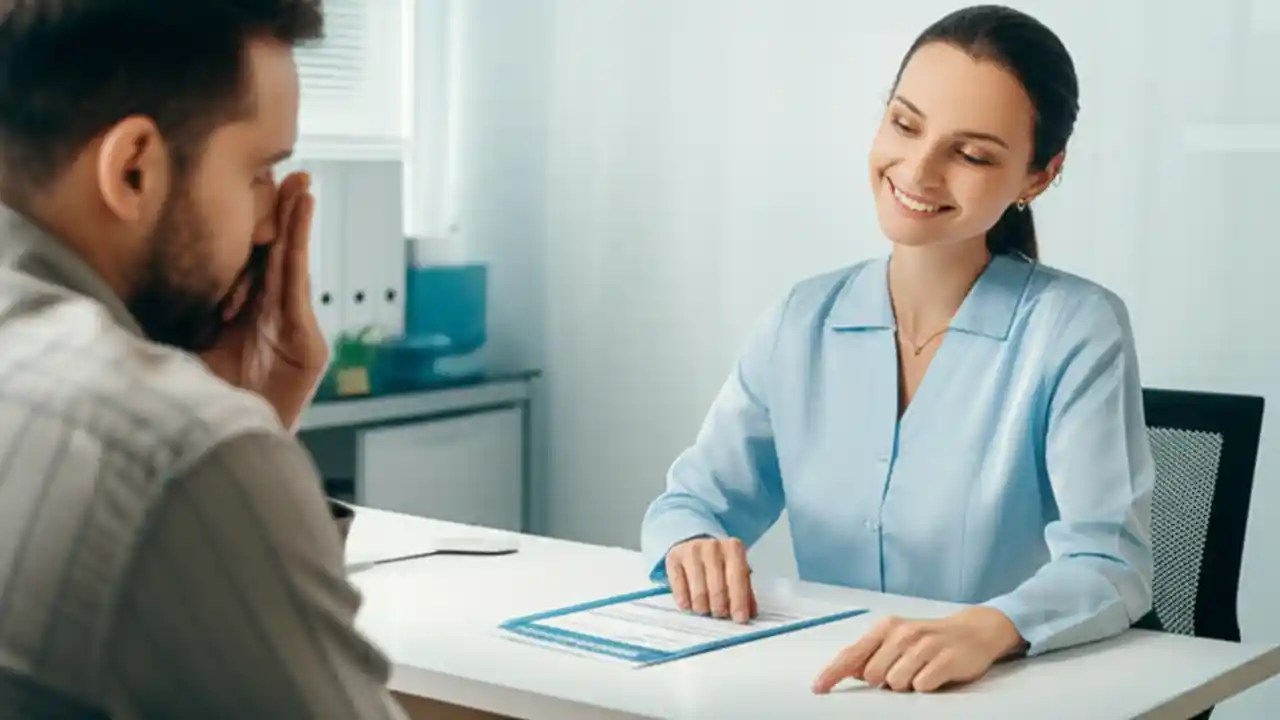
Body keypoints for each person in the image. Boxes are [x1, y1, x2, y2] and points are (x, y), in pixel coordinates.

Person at [640, 4, 1154, 695]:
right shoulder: (802, 321)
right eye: (905, 124)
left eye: (970, 154)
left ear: (1039, 176)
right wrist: (689, 544)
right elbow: (693, 499)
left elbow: (1111, 562)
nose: (918, 169)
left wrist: (991, 628)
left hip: (1000, 698)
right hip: (830, 692)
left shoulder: (1075, 329)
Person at [0, 1, 406, 717]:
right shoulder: (177, 449)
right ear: (133, 170)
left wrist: (241, 411)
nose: (264, 224)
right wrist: (226, 431)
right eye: (259, 174)